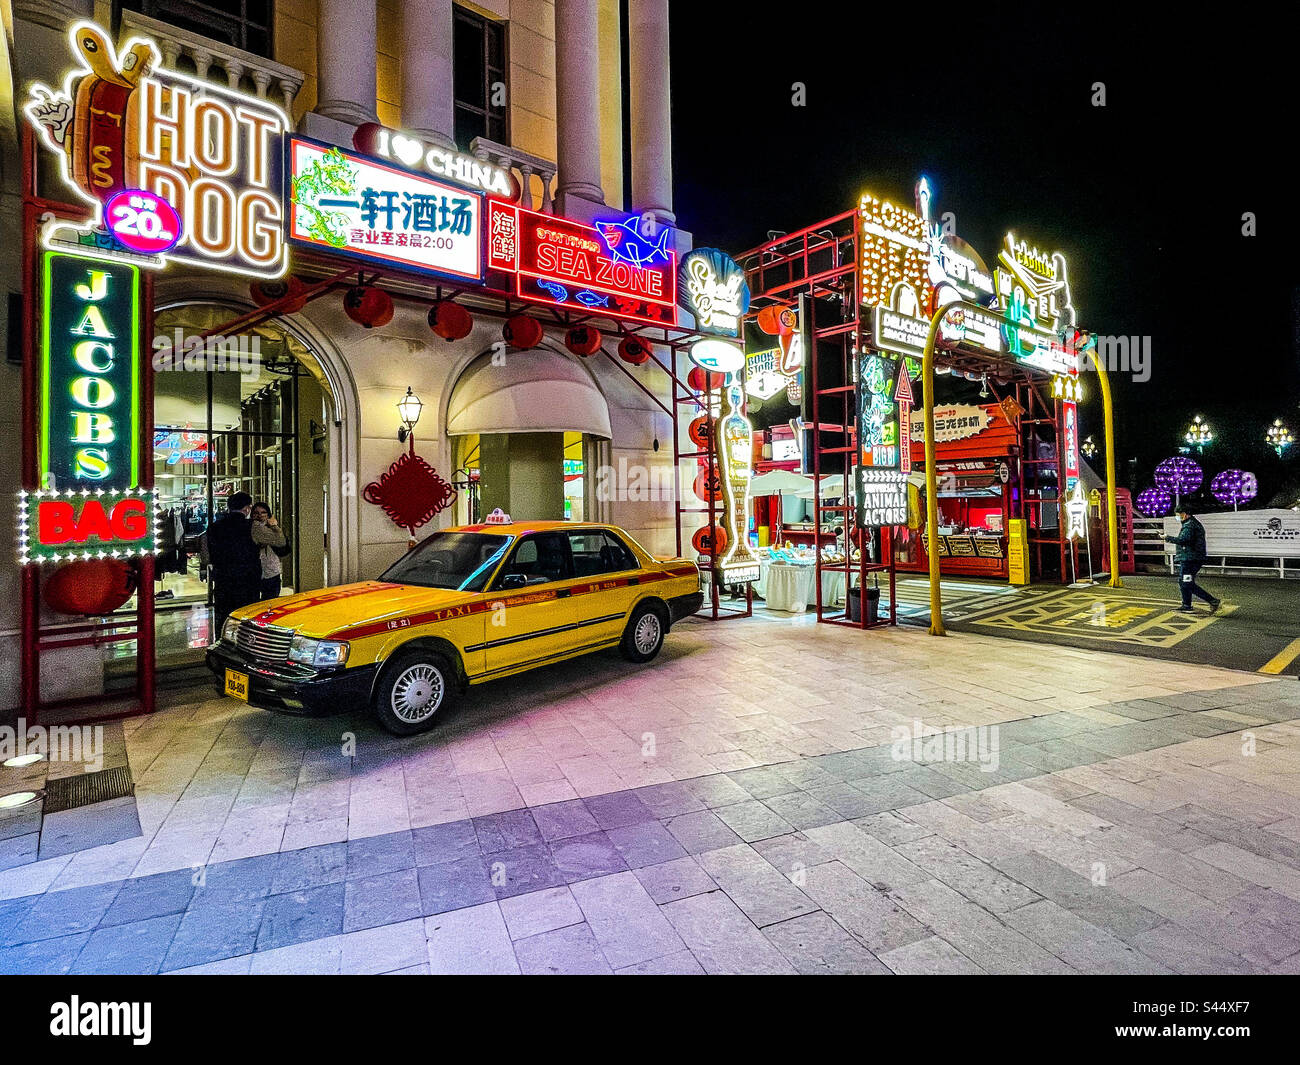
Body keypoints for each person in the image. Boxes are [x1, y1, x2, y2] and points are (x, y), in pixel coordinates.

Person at [201, 492, 262, 635]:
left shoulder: (214, 527)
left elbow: (207, 556)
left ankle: (222, 641)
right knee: (247, 616)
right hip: (248, 580)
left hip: (223, 579)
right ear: (247, 508)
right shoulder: (251, 526)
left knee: (223, 615)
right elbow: (280, 542)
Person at [1165, 505, 1222, 614]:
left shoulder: (1190, 525)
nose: (1177, 517)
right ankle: (1186, 605)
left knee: (1186, 582)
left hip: (1190, 559)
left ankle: (1212, 601)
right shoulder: (1191, 523)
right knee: (1184, 581)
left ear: (1184, 514)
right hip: (1191, 558)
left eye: (1178, 514)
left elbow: (1183, 540)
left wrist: (1167, 538)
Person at [251, 500, 289, 600]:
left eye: (263, 512)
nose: (260, 515)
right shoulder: (250, 528)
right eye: (256, 513)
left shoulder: (274, 529)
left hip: (272, 571)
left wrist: (274, 527)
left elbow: (284, 546)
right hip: (254, 572)